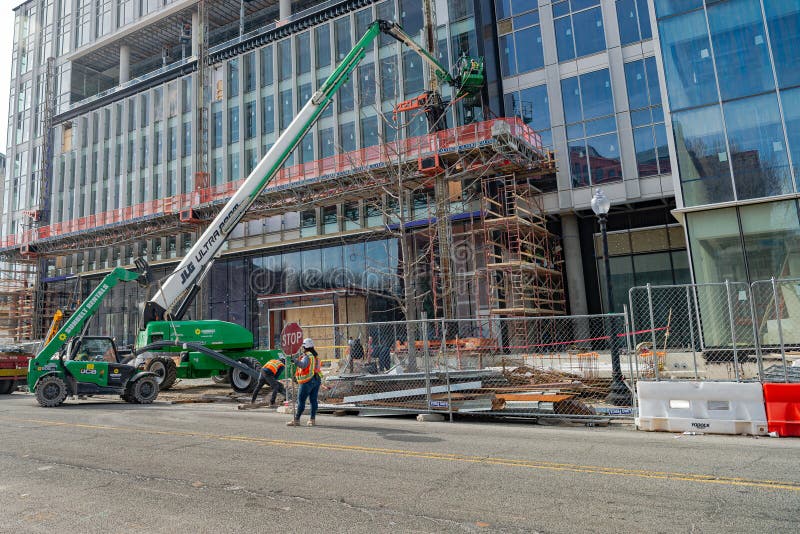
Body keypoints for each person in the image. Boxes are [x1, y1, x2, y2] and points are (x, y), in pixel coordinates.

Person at [287, 338, 323, 427]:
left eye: (302, 347)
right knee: (313, 400)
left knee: (301, 401)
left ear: (305, 347)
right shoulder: (315, 356)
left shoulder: (307, 356)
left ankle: (296, 420)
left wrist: (295, 361)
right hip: (316, 379)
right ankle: (312, 420)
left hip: (307, 381)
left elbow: (303, 365)